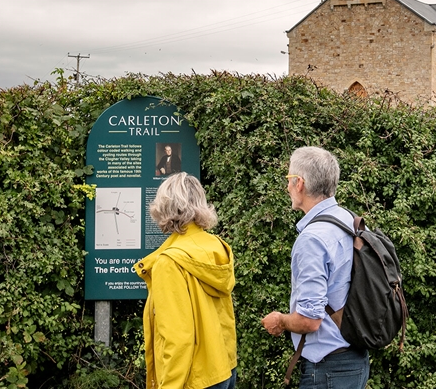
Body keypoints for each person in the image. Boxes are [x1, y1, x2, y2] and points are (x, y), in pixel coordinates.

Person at [261, 147, 370, 388]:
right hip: (356, 360)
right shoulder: (351, 221)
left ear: (299, 183)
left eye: (289, 179)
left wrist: (279, 320)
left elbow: (310, 321)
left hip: (327, 370)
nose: (287, 186)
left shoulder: (313, 239)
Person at [135, 172, 237, 389]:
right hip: (224, 369)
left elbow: (178, 338)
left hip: (194, 379)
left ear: (165, 208)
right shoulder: (216, 246)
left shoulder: (168, 263)